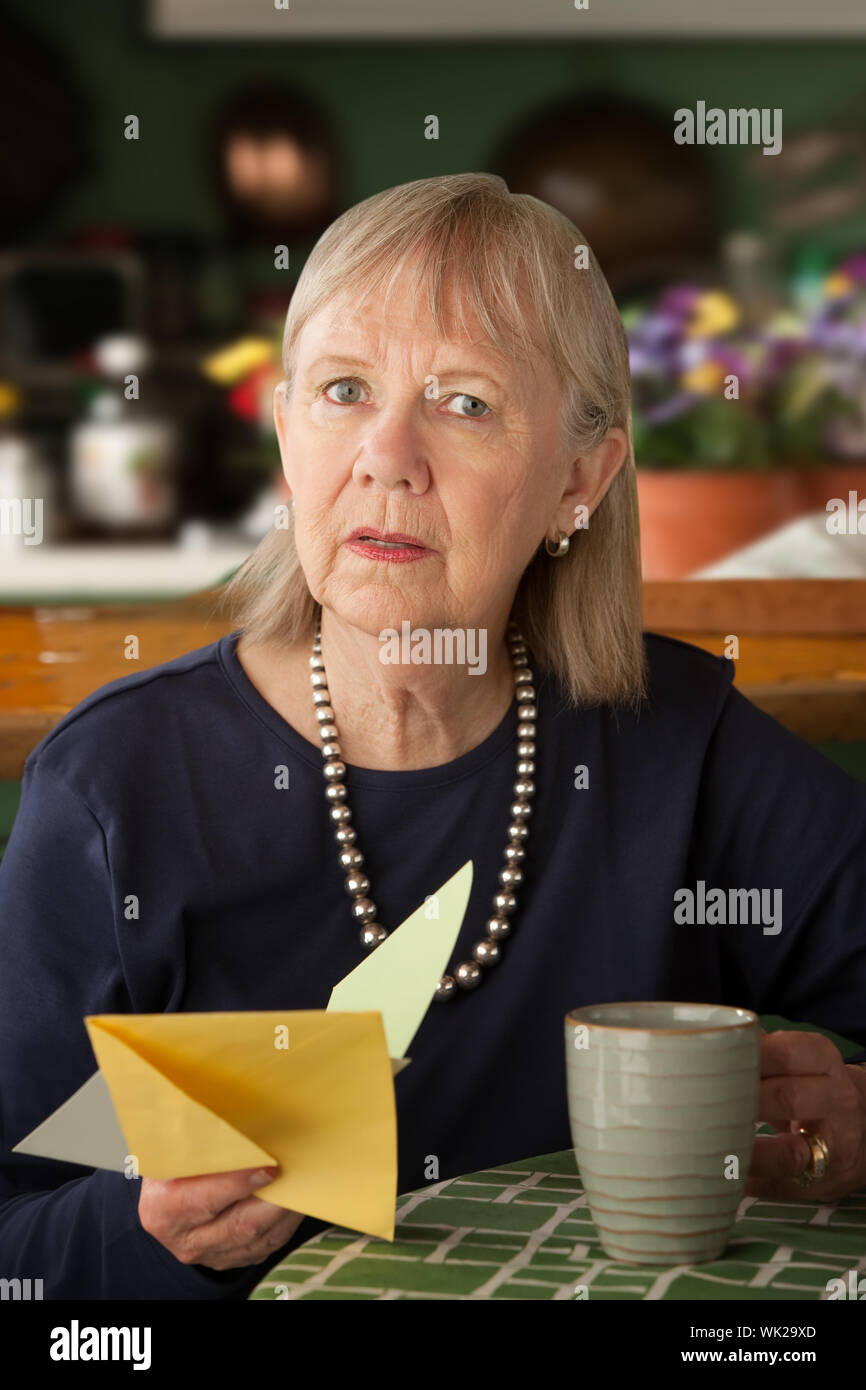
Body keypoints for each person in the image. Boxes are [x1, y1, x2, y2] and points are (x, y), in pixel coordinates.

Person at [1, 173, 865, 1301]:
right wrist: (143, 1228)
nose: (386, 455)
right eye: (343, 390)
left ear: (579, 480)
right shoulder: (118, 787)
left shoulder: (681, 749)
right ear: (284, 439)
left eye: (465, 403)